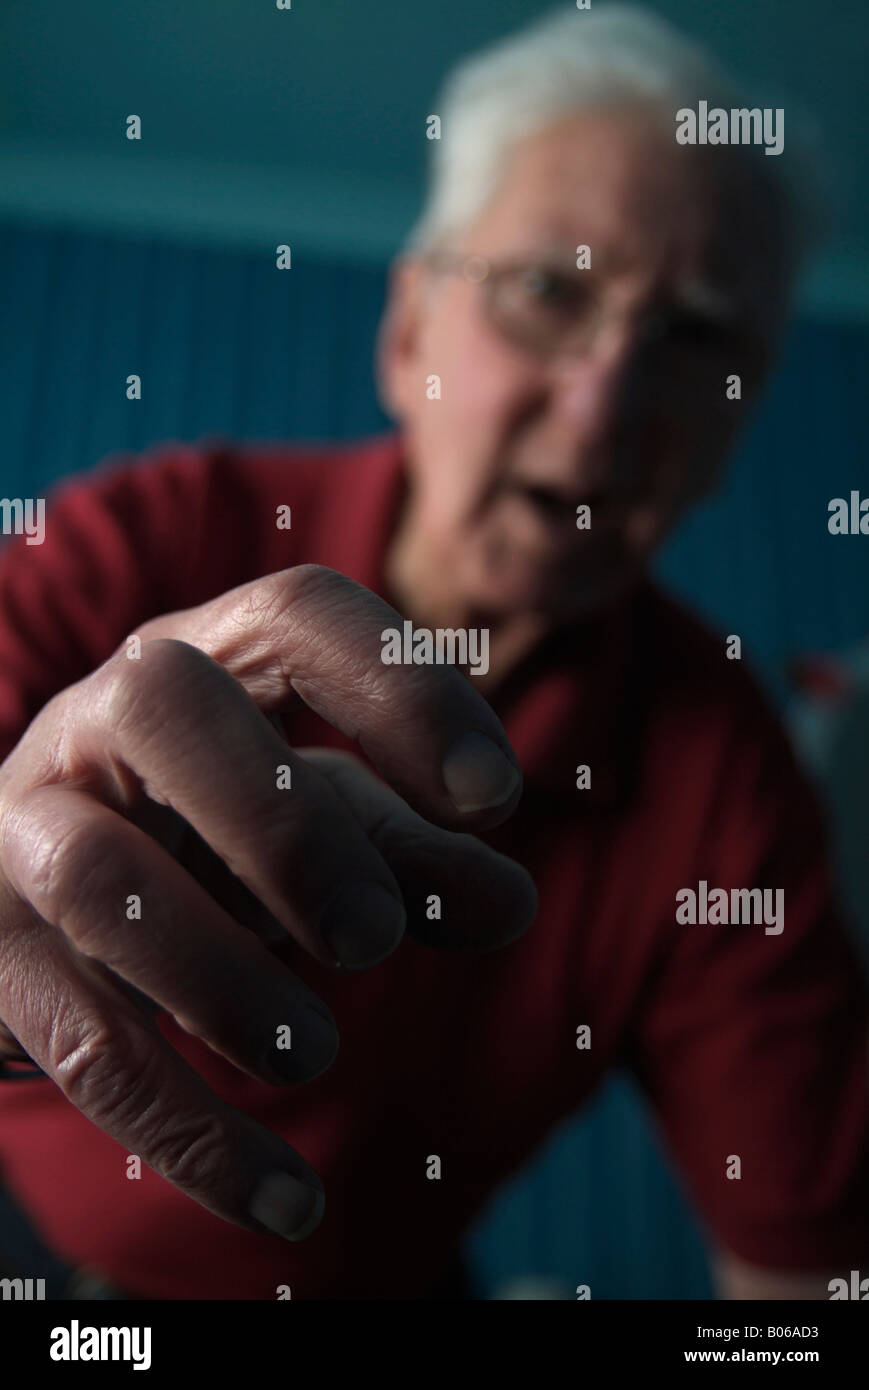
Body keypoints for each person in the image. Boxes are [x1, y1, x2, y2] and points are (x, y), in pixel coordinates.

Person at [0, 5, 866, 1300]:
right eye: (548, 290)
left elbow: (808, 1271)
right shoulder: (128, 539)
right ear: (408, 332)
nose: (604, 406)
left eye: (692, 342)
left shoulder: (730, 777)